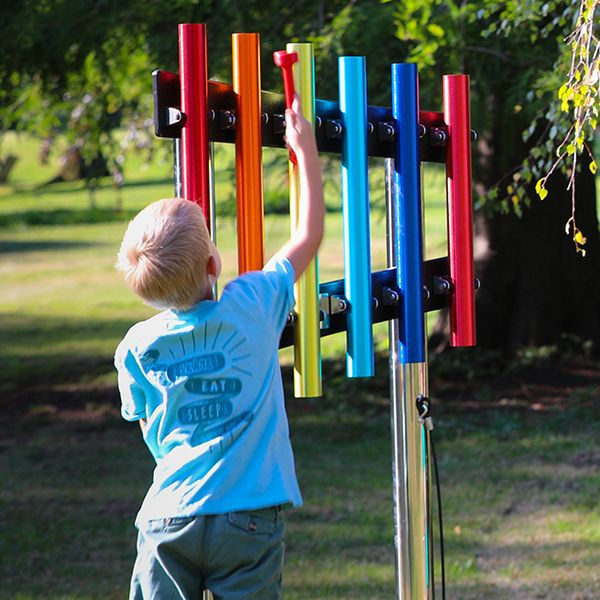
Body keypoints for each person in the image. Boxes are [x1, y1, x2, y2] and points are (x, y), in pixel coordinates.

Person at [114, 94, 324, 600]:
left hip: (169, 516)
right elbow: (308, 236)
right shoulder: (252, 303)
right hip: (248, 514)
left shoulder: (136, 347)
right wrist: (305, 152)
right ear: (215, 264)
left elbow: (148, 426)